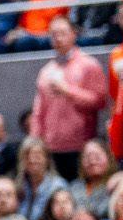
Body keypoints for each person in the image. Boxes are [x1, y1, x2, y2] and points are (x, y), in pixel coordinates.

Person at [28, 17, 107, 178]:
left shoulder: (88, 64)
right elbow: (39, 112)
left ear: (73, 34)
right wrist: (34, 143)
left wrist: (68, 91)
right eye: (53, 34)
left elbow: (99, 101)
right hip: (51, 147)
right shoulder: (46, 71)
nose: (58, 38)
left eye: (62, 33)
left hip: (81, 146)